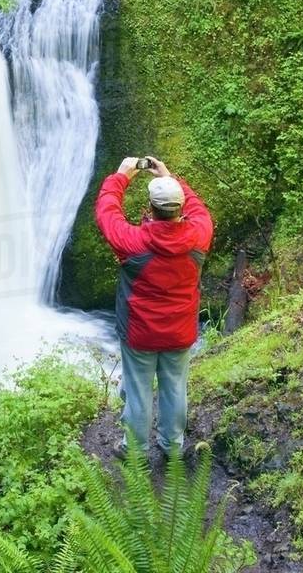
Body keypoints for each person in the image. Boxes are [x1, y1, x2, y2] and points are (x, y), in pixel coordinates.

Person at [94, 155, 213, 459]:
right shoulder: (199, 236)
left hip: (140, 332)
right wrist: (169, 177)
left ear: (150, 208)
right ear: (180, 208)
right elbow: (198, 209)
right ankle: (172, 447)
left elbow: (107, 214)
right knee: (175, 387)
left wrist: (121, 176)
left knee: (138, 391)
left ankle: (135, 451)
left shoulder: (133, 242)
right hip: (180, 331)